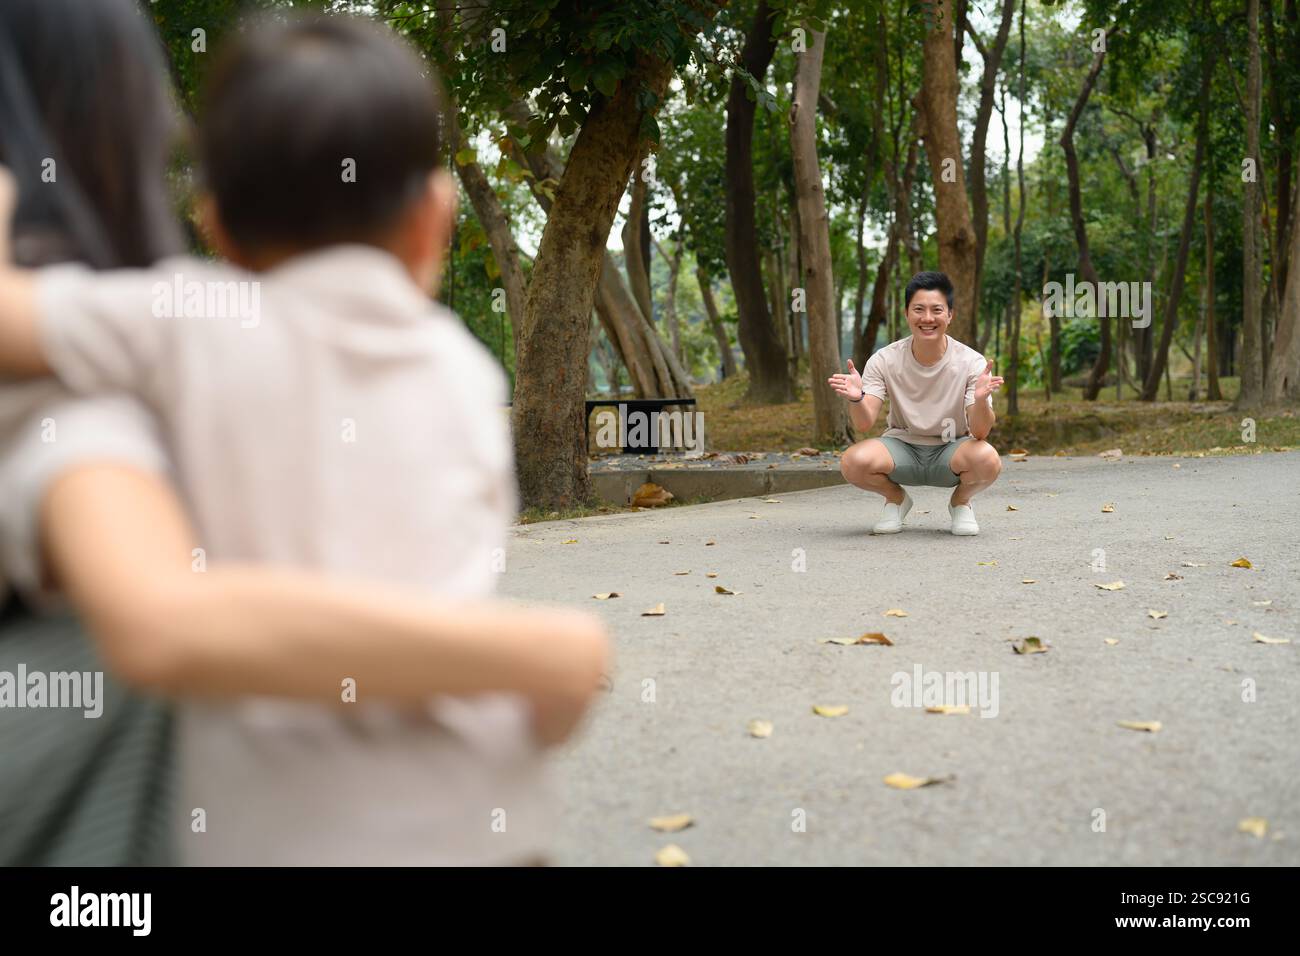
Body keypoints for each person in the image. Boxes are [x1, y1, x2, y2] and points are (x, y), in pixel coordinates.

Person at [0, 2, 606, 865]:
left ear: (213, 225)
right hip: (481, 817)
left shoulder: (185, 323)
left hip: (283, 835)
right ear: (435, 217)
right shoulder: (469, 375)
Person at [829, 271, 1004, 536]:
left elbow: (980, 433)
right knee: (854, 461)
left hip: (951, 448)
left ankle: (961, 503)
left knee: (987, 459)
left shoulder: (972, 362)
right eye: (919, 309)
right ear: (906, 313)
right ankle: (896, 500)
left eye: (937, 310)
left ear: (950, 315)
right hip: (902, 446)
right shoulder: (885, 359)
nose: (927, 318)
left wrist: (980, 400)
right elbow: (864, 424)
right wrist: (857, 398)